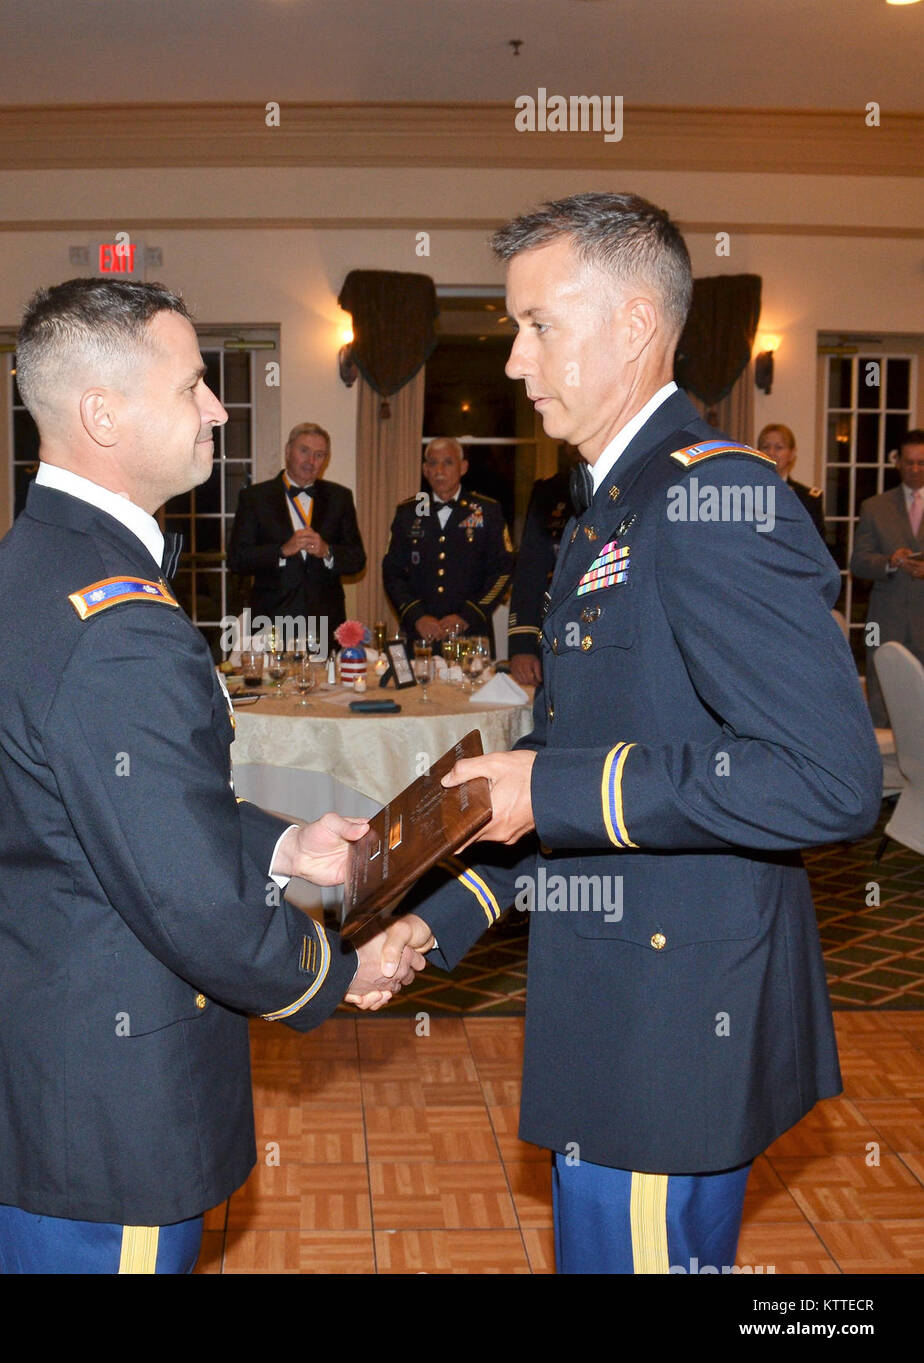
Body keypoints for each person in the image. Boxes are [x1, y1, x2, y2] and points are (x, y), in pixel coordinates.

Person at [405, 193, 881, 1274]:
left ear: (632, 324)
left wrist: (554, 791)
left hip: (670, 1024)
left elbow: (830, 779)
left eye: (538, 325)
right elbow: (568, 772)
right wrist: (438, 925)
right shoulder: (611, 508)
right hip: (619, 992)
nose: (517, 364)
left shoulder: (715, 503)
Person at [0, 279, 431, 1275]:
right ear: (103, 413)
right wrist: (336, 973)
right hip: (114, 1096)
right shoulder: (115, 620)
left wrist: (278, 845)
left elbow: (128, 817)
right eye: (191, 388)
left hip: (66, 1039)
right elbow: (179, 892)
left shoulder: (37, 559)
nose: (218, 410)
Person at [227, 421, 365, 644]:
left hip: (325, 623)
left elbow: (358, 560)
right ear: (288, 451)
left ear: (325, 460)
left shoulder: (340, 497)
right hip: (271, 620)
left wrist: (328, 552)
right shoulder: (255, 498)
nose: (311, 461)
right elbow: (237, 559)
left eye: (319, 455)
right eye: (304, 451)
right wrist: (281, 551)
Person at [381, 437, 514, 644]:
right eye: (433, 463)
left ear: (463, 467)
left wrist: (467, 616)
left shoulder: (486, 511)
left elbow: (502, 572)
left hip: (470, 634)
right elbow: (392, 572)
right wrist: (416, 616)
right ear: (425, 470)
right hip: (420, 635)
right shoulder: (410, 510)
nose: (439, 470)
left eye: (448, 462)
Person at [850, 431, 924, 727]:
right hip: (886, 620)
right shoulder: (875, 507)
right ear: (898, 463)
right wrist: (890, 562)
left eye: (922, 463)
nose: (915, 469)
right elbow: (858, 562)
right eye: (909, 463)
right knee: (882, 697)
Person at [507, 465, 573, 686]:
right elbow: (530, 571)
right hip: (551, 640)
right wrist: (522, 645)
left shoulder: (635, 479)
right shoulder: (551, 491)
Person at [757, 422, 826, 539]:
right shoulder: (745, 492)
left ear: (792, 454)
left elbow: (815, 545)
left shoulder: (808, 499)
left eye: (779, 447)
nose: (771, 453)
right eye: (765, 447)